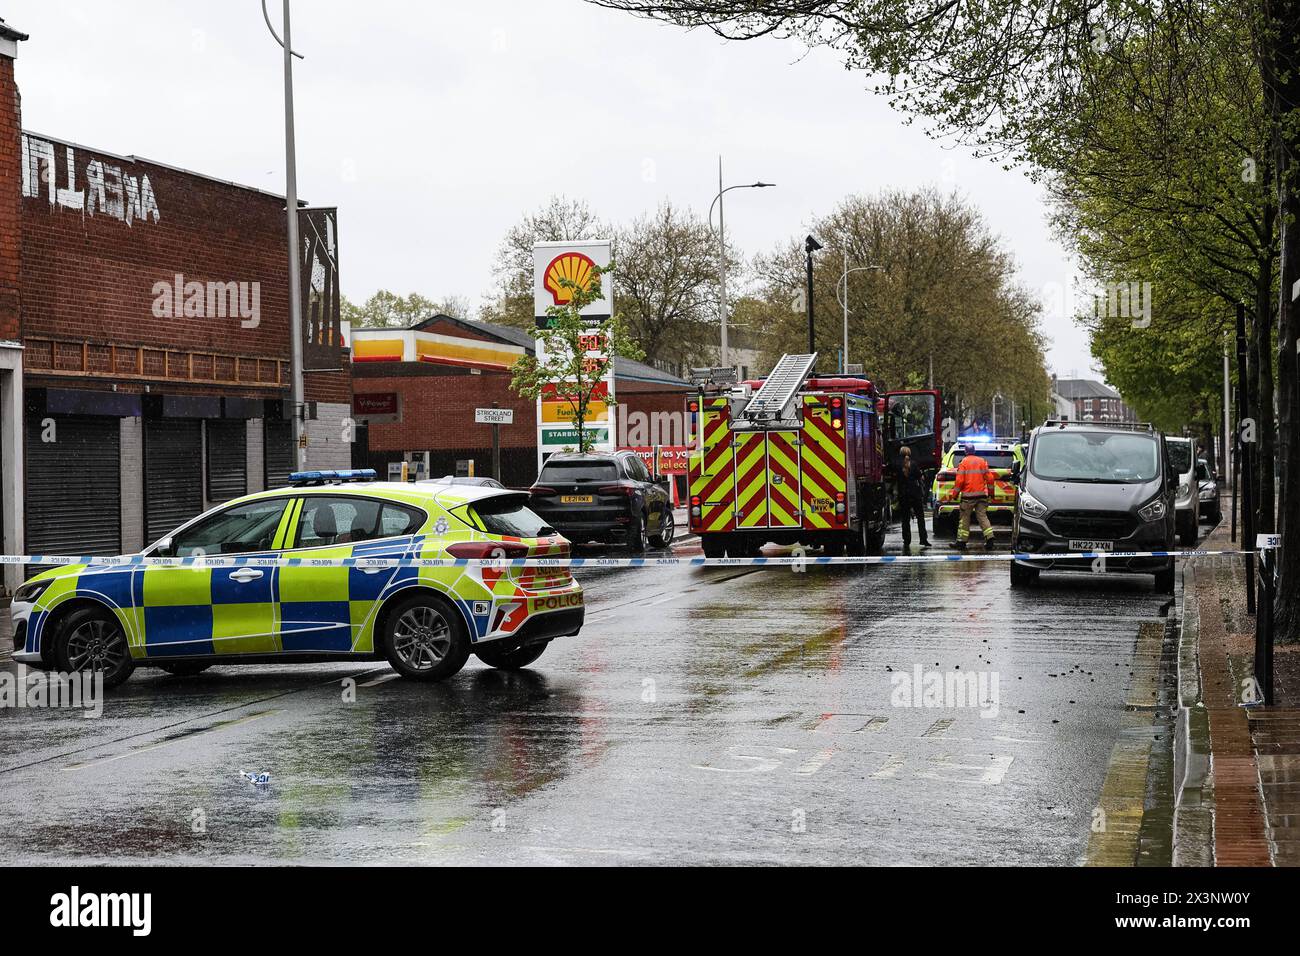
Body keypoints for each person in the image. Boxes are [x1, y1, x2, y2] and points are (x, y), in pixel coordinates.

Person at [953, 444, 996, 551]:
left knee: (964, 518)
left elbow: (959, 481)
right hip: (981, 496)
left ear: (965, 452)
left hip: (968, 497)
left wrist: (955, 494)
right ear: (975, 451)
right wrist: (991, 493)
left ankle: (961, 542)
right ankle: (990, 538)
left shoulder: (963, 463)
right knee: (982, 517)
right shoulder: (982, 461)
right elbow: (990, 479)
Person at [896, 446, 930, 551]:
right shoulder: (914, 464)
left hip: (903, 495)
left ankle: (906, 540)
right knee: (920, 517)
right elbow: (920, 477)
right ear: (909, 454)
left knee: (905, 519)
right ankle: (923, 539)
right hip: (915, 494)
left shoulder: (898, 466)